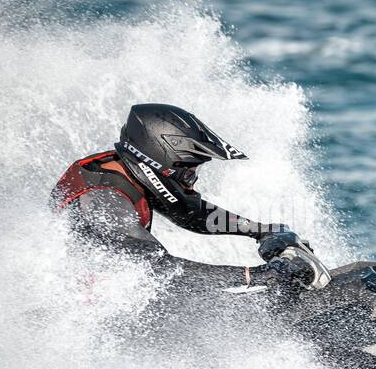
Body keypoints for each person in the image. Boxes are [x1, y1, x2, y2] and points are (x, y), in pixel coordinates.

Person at [51, 103, 326, 291]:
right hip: (99, 319)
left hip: (126, 297)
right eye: (188, 170)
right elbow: (161, 271)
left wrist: (259, 231)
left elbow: (191, 213)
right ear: (160, 161)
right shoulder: (105, 202)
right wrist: (257, 276)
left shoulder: (125, 168)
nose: (192, 179)